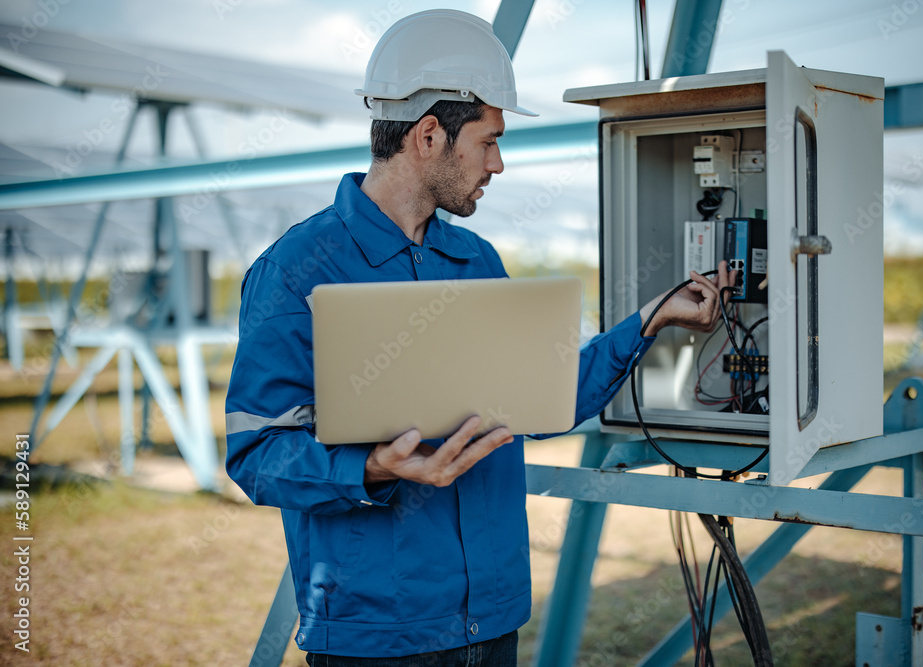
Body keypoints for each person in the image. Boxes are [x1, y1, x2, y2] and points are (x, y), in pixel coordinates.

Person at [225, 9, 731, 666]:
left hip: (492, 622)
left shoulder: (477, 261)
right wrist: (373, 467)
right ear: (429, 134)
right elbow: (256, 452)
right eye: (488, 141)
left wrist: (650, 320)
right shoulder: (296, 270)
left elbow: (542, 396)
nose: (498, 162)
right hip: (378, 637)